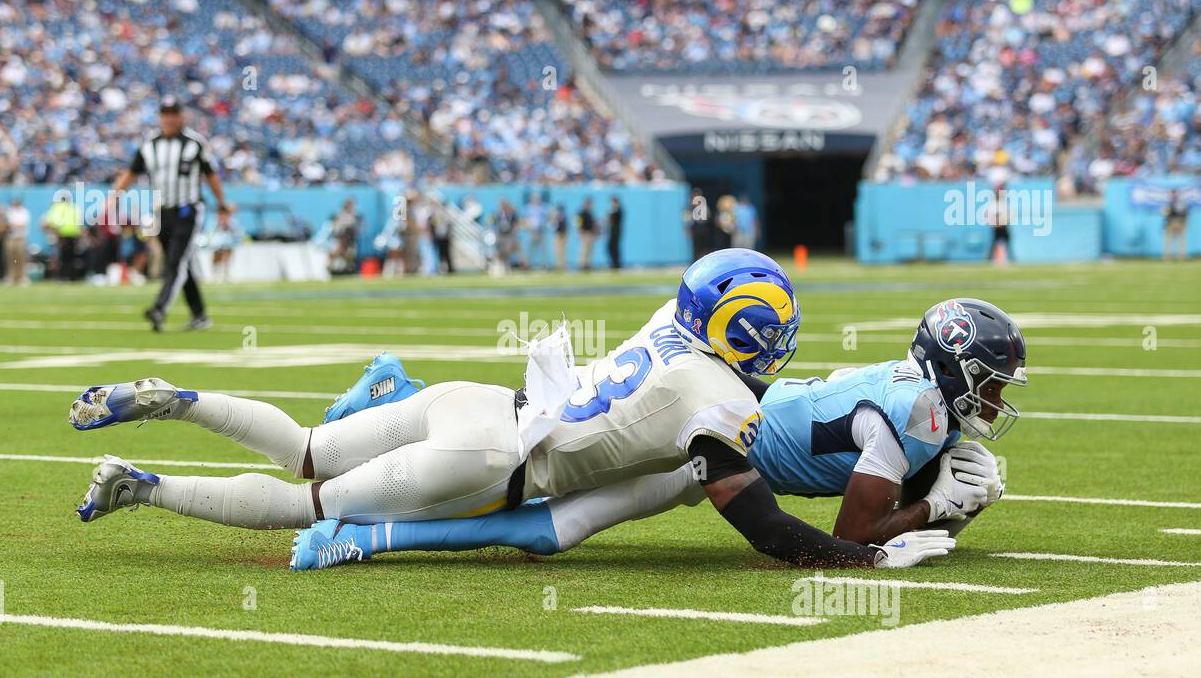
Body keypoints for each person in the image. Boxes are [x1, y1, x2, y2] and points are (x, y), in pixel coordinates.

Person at [69, 250, 955, 572]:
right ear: (748, 331)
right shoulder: (717, 397)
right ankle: (142, 488)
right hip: (496, 465)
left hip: (479, 399)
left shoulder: (667, 327)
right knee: (307, 506)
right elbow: (762, 527)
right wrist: (865, 555)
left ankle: (178, 399)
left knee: (304, 448)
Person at [303, 299, 1023, 563]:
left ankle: (403, 398)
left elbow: (898, 529)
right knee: (547, 526)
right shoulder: (921, 414)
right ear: (954, 371)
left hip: (711, 411)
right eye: (989, 382)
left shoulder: (922, 401)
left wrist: (945, 511)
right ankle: (364, 535)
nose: (993, 401)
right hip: (702, 449)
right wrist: (938, 506)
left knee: (545, 424)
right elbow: (852, 537)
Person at [110, 97, 234, 332]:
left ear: (181, 116)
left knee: (176, 263)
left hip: (188, 210)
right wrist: (112, 197)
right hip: (162, 212)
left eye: (173, 113)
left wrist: (221, 204)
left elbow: (211, 175)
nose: (168, 118)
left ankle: (159, 308)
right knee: (180, 265)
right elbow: (131, 172)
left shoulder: (195, 144)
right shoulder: (149, 145)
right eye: (164, 113)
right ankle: (200, 315)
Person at [42, 193, 82, 281]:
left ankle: (63, 276)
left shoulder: (58, 207)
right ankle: (72, 277)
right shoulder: (74, 207)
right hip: (73, 235)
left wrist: (55, 232)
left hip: (62, 235)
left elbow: (52, 221)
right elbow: (79, 223)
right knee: (71, 257)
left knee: (62, 257)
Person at [4, 198, 30, 285]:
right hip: (11, 238)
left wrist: (13, 225)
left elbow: (21, 225)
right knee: (11, 259)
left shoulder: (24, 212)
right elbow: (7, 224)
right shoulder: (9, 212)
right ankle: (11, 276)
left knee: (20, 258)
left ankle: (22, 277)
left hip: (20, 238)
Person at [524, 192, 549, 270]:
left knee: (543, 249)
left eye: (537, 198)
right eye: (534, 198)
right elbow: (525, 219)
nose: (536, 200)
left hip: (541, 231)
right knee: (530, 249)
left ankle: (545, 265)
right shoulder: (528, 208)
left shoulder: (543, 207)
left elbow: (549, 215)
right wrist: (529, 226)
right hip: (532, 231)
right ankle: (527, 265)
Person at [1163, 189, 1189, 261]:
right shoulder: (1176, 203)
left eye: (1173, 194)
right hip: (1172, 223)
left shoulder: (1177, 203)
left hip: (1176, 222)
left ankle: (1180, 256)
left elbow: (1184, 213)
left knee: (1179, 240)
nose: (1172, 195)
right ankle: (1168, 257)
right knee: (1169, 241)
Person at [576, 198, 597, 270]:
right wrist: (580, 231)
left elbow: (593, 224)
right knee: (584, 250)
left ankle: (587, 264)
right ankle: (582, 265)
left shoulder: (590, 213)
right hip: (585, 233)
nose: (590, 206)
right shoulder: (581, 212)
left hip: (590, 233)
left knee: (590, 250)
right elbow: (578, 223)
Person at [606, 196, 624, 270]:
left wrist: (609, 215)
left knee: (614, 247)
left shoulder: (618, 210)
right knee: (612, 248)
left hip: (615, 232)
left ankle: (616, 264)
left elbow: (611, 220)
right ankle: (614, 263)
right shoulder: (615, 210)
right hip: (613, 231)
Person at [551, 202, 568, 271]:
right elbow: (553, 224)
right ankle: (559, 265)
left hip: (561, 234)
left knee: (561, 251)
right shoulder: (558, 216)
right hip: (559, 234)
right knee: (559, 251)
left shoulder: (562, 216)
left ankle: (561, 265)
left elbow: (562, 226)